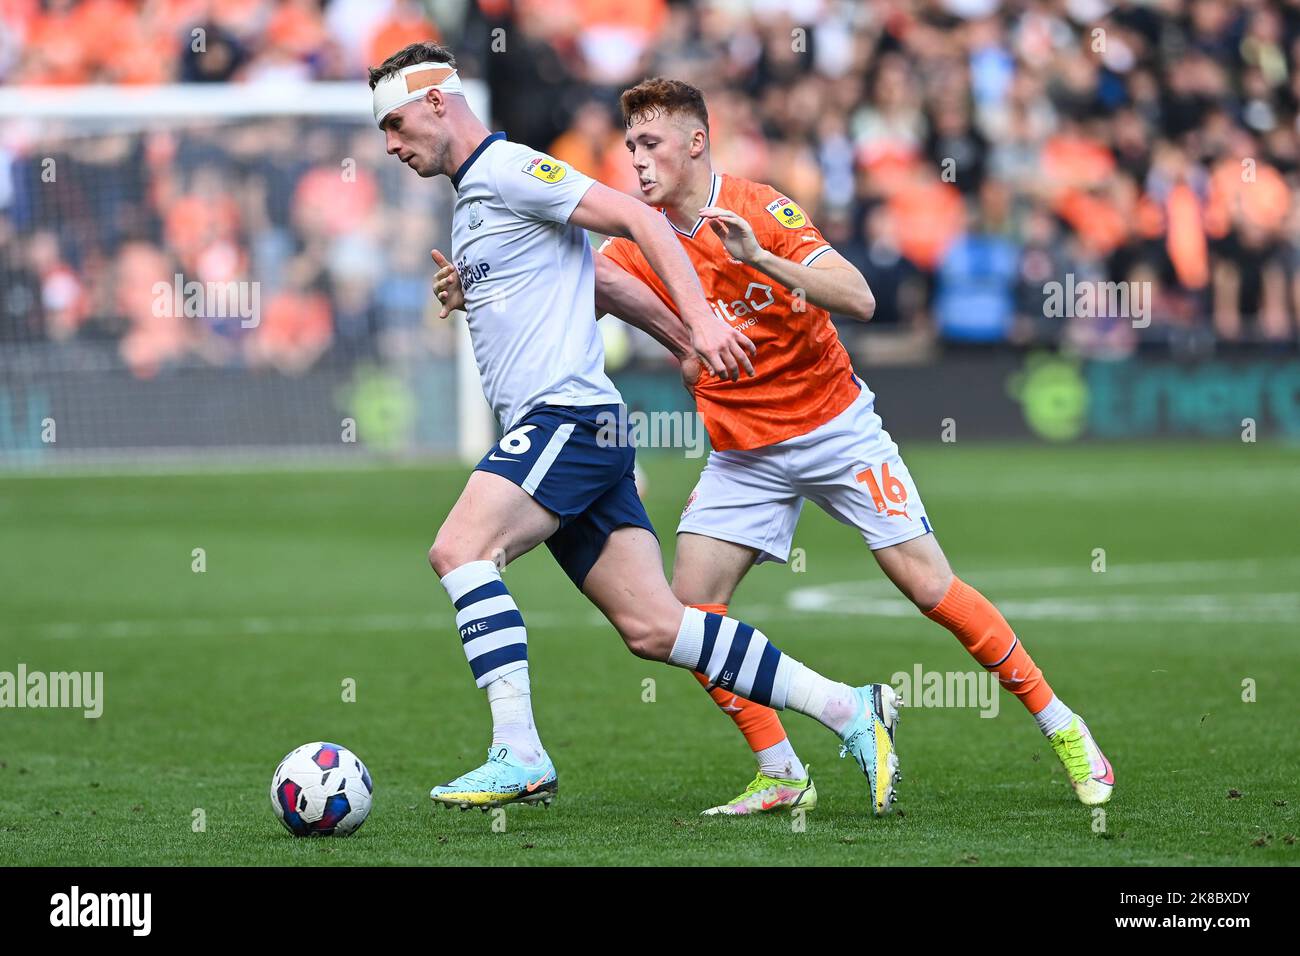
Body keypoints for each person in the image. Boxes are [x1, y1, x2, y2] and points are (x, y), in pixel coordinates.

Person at [438, 77, 1113, 816]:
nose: (636, 159)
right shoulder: (640, 248)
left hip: (834, 428)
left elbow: (859, 297)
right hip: (741, 453)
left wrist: (761, 260)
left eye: (651, 144)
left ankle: (1064, 726)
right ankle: (781, 768)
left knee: (928, 588)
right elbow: (560, 284)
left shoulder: (761, 209)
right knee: (688, 614)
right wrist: (479, 285)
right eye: (630, 145)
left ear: (697, 143)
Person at [376, 42, 903, 816]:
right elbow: (602, 275)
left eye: (394, 123)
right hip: (581, 431)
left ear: (435, 104)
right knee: (657, 628)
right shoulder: (476, 201)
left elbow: (632, 221)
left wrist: (699, 319)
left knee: (460, 549)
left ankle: (517, 751)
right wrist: (479, 287)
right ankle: (849, 709)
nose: (389, 145)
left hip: (568, 419)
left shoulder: (507, 168)